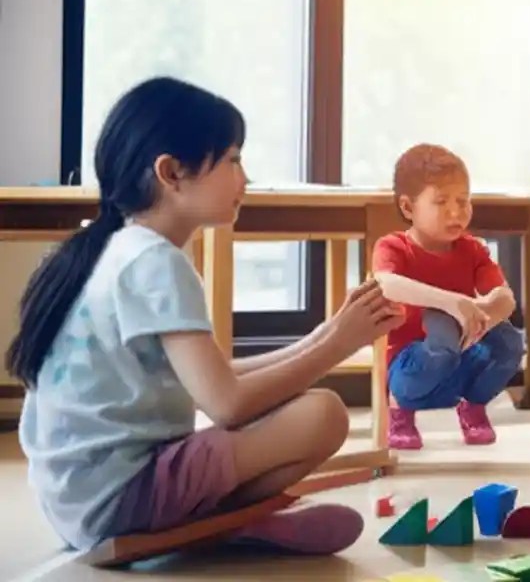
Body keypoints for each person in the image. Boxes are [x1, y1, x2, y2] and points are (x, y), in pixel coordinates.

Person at [8, 77, 403, 554]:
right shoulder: (154, 261)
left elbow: (211, 381)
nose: (246, 179)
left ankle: (229, 525)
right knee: (324, 415)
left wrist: (323, 336)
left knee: (294, 411)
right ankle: (227, 526)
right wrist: (339, 345)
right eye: (233, 159)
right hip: (121, 499)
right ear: (171, 172)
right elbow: (227, 403)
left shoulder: (111, 249)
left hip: (78, 503)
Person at [373, 144, 525, 449]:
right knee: (441, 325)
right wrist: (452, 303)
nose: (456, 211)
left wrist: (484, 313)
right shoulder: (393, 247)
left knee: (509, 340)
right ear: (408, 208)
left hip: (459, 359)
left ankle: (473, 406)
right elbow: (385, 283)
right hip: (411, 367)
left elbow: (505, 297)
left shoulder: (472, 249)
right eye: (441, 201)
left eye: (463, 200)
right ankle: (399, 412)